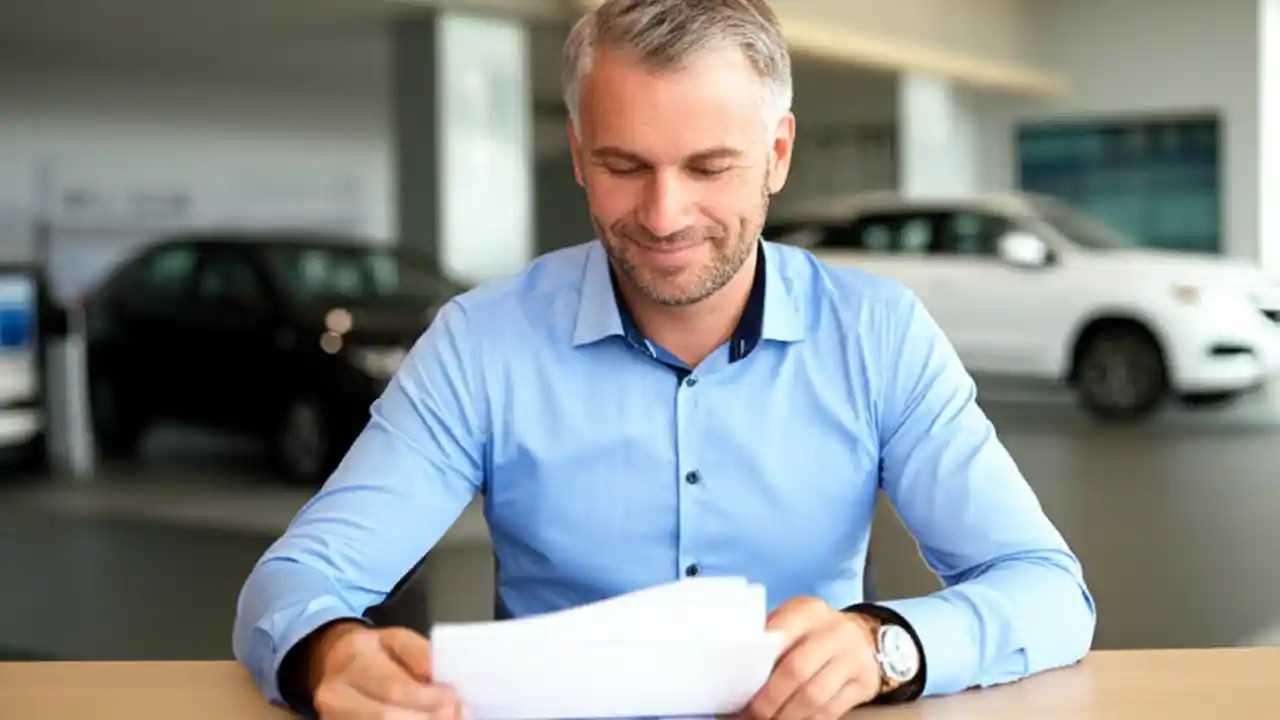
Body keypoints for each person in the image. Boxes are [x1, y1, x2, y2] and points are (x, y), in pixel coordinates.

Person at [232, 0, 1097, 717]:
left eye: (710, 167)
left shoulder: (879, 335)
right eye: (623, 166)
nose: (664, 213)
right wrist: (328, 653)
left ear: (778, 156)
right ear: (578, 154)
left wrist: (887, 645)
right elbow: (299, 578)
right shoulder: (480, 343)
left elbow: (1046, 590)